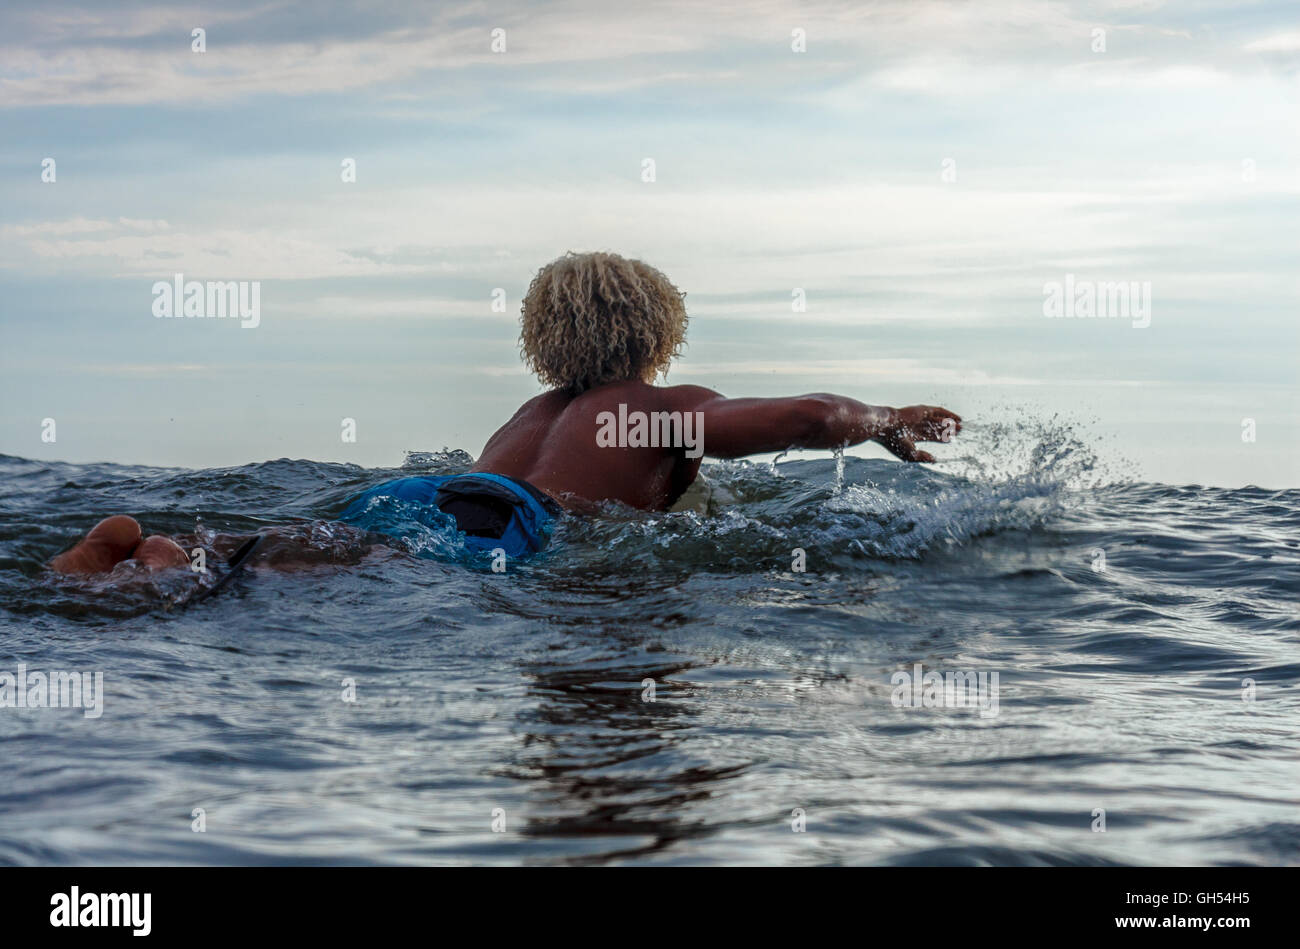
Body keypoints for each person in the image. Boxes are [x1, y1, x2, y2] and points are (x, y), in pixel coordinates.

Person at [52, 251, 961, 572]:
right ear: (659, 326)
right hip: (509, 529)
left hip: (432, 491)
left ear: (545, 337)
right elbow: (803, 416)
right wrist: (883, 418)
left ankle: (180, 555)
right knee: (374, 566)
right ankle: (173, 566)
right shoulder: (650, 410)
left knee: (350, 548)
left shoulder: (527, 418)